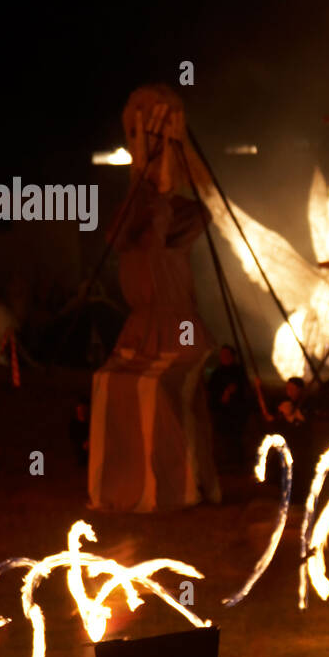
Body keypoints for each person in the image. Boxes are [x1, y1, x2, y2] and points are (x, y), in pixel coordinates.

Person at [87, 85, 221, 511]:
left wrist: (163, 182)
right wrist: (144, 174)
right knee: (110, 381)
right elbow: (124, 236)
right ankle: (124, 484)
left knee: (162, 388)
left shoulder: (186, 212)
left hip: (177, 323)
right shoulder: (134, 210)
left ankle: (177, 484)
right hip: (142, 325)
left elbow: (164, 234)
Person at [208, 345, 251, 470]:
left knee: (235, 438)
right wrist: (220, 398)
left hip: (236, 412)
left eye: (227, 355)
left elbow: (243, 389)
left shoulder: (239, 372)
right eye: (222, 355)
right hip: (221, 411)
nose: (224, 357)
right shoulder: (217, 373)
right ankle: (225, 464)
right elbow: (212, 390)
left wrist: (233, 393)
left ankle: (237, 464)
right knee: (223, 438)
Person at [69, 397, 91, 468]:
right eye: (80, 410)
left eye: (84, 410)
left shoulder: (91, 422)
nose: (82, 412)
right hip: (82, 458)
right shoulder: (73, 424)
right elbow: (74, 438)